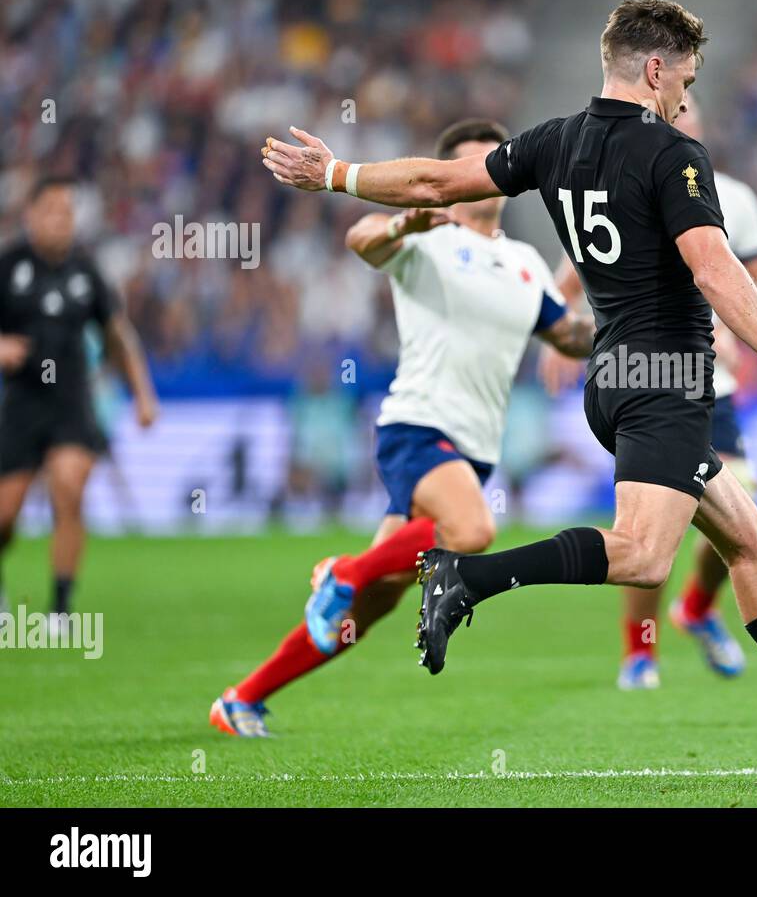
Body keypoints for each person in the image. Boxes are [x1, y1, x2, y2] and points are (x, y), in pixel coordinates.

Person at [261, 0, 757, 778]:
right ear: (654, 66)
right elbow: (712, 267)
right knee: (642, 557)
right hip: (666, 378)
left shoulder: (554, 142)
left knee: (750, 543)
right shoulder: (673, 153)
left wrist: (336, 172)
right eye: (683, 81)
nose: (684, 99)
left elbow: (437, 183)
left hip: (613, 376)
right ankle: (464, 575)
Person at [211, 120, 594, 737]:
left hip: (473, 452)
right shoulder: (430, 232)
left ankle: (241, 698)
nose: (486, 171)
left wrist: (619, 323)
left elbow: (567, 334)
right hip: (417, 427)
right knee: (471, 529)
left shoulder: (523, 263)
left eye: (493, 159)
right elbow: (363, 239)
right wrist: (403, 221)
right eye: (472, 162)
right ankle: (342, 571)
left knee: (373, 604)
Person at [539, 100, 757, 690]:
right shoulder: (630, 180)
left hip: (710, 380)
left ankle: (695, 607)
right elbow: (577, 267)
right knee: (651, 532)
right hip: (651, 377)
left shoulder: (736, 199)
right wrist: (552, 329)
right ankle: (639, 651)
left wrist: (753, 335)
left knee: (743, 511)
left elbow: (755, 278)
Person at [0, 176, 157, 625]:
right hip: (21, 405)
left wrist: (143, 395)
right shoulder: (8, 267)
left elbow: (118, 336)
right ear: (30, 215)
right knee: (5, 514)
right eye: (51, 211)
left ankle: (60, 608)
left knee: (69, 490)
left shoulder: (86, 273)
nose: (60, 221)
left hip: (72, 400)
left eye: (67, 213)